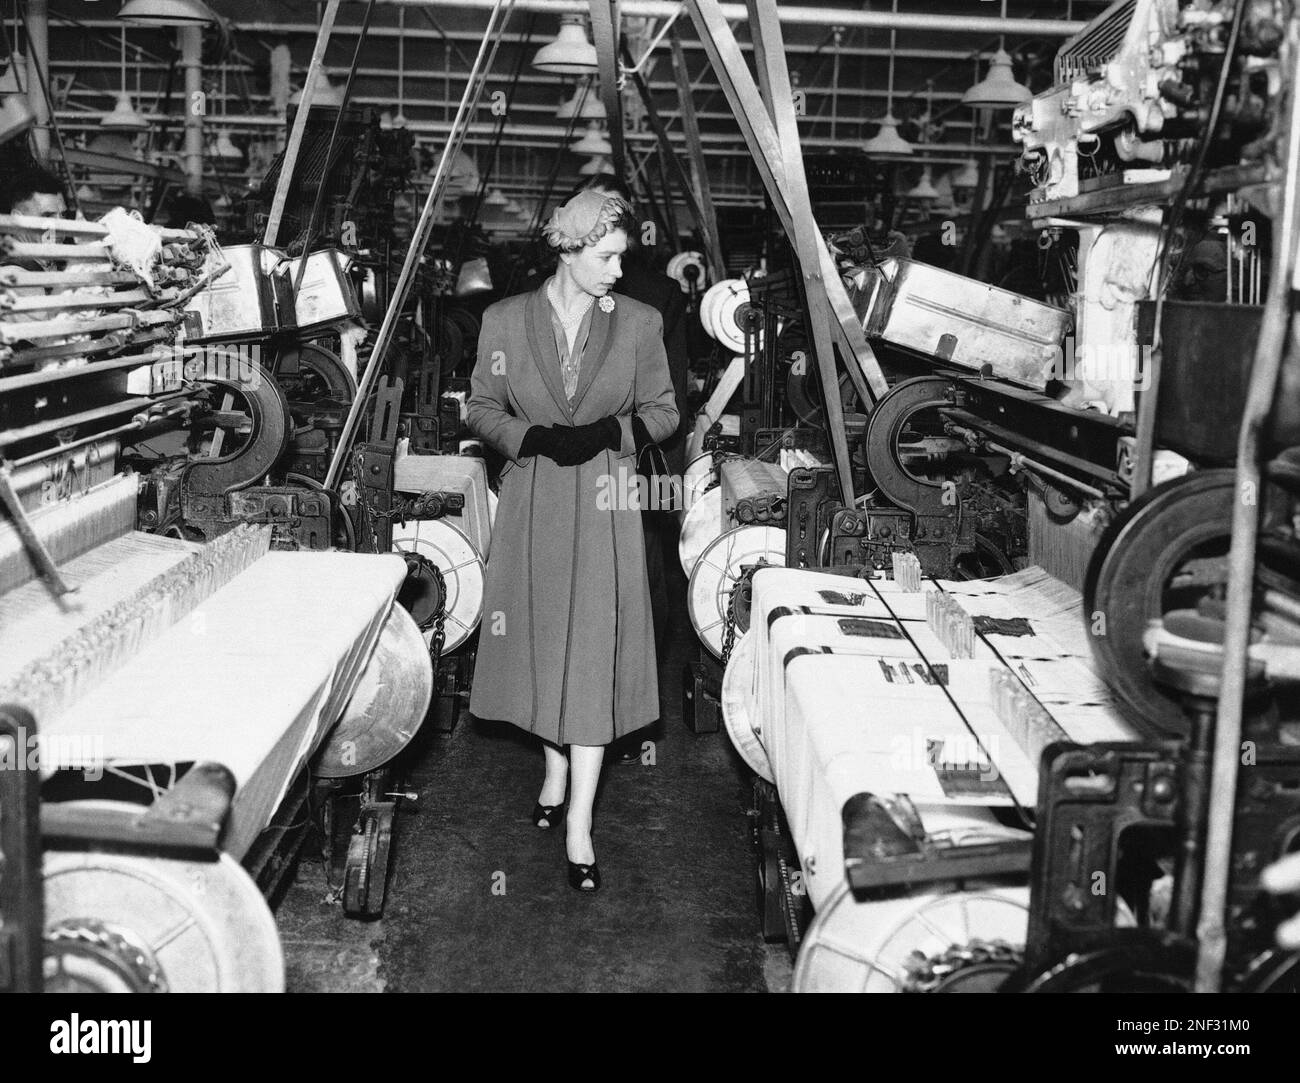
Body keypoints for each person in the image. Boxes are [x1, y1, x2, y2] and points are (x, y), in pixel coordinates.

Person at [466, 189, 679, 892]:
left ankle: (581, 823)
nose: (619, 270)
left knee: (591, 653)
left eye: (622, 257)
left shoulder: (639, 324)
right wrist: (529, 437)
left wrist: (608, 434)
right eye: (609, 256)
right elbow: (482, 407)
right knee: (538, 642)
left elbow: (665, 411)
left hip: (606, 501)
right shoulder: (502, 321)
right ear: (570, 248)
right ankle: (553, 765)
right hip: (532, 498)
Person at [571, 175, 691, 765]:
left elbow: (671, 403)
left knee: (621, 581)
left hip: (620, 462)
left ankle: (599, 713)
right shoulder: (661, 293)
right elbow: (674, 408)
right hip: (633, 461)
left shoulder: (657, 298)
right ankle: (618, 711)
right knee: (639, 583)